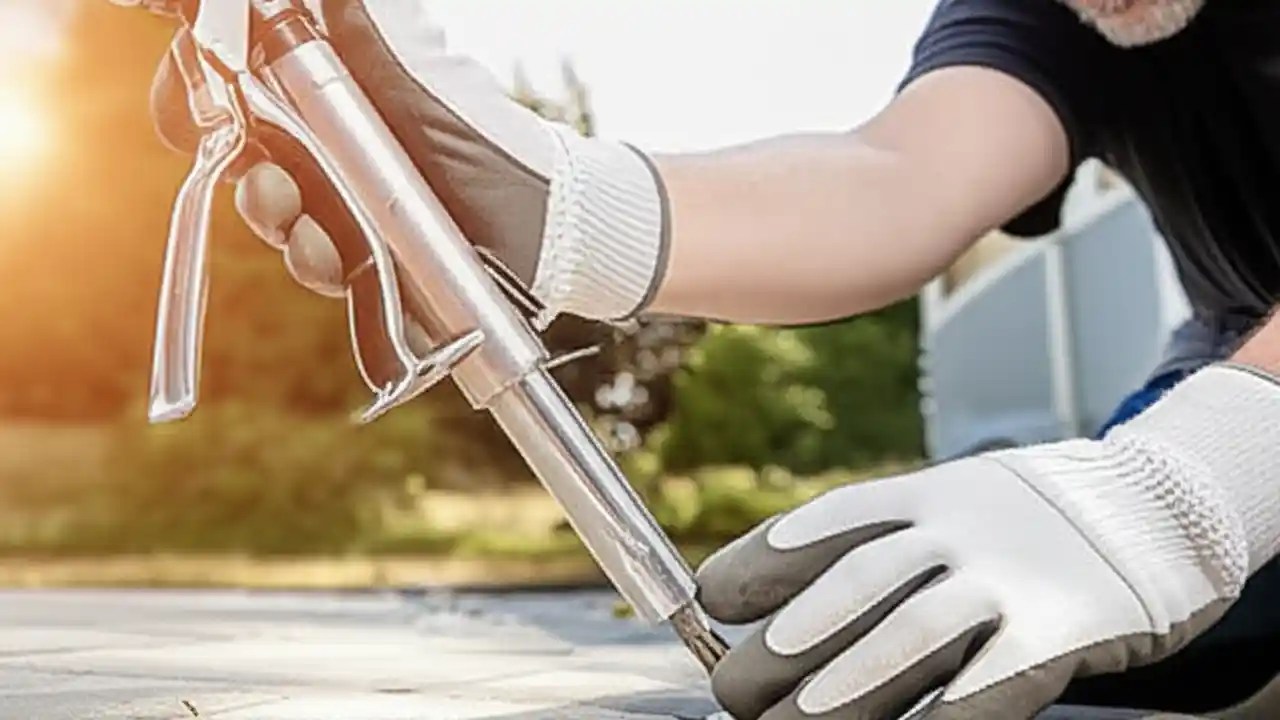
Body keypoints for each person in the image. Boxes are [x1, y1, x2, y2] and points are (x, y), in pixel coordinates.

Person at [148, 0, 1280, 718]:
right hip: (1222, 366)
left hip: (1241, 414)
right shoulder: (1059, 13)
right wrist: (567, 209)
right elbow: (897, 185)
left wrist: (1178, 494)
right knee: (1133, 654)